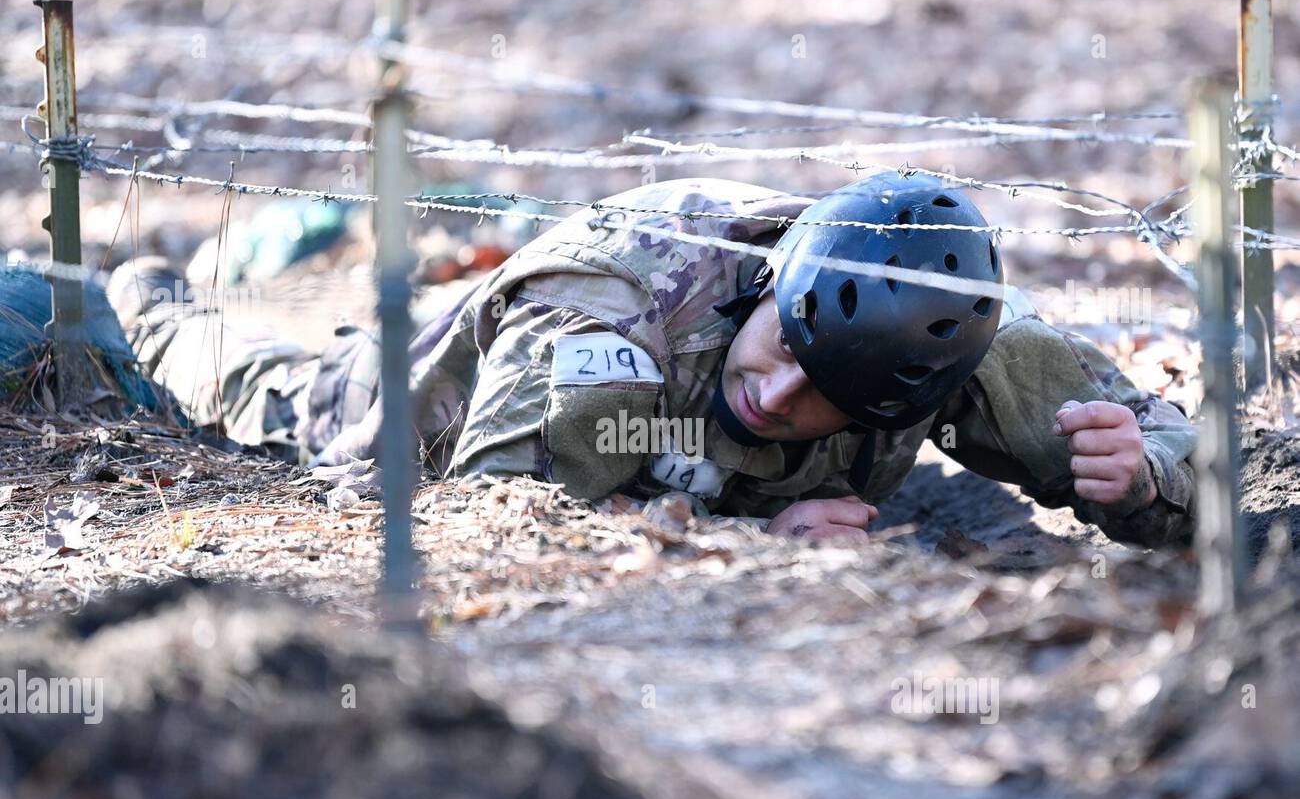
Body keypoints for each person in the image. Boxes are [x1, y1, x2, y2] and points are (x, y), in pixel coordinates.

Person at [107, 171, 1197, 546]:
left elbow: (1188, 455)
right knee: (257, 380)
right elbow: (494, 522)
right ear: (774, 281)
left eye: (827, 400)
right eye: (785, 352)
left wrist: (1141, 471)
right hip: (403, 411)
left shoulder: (943, 337)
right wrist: (756, 544)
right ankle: (143, 295)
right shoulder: (611, 309)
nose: (775, 395)